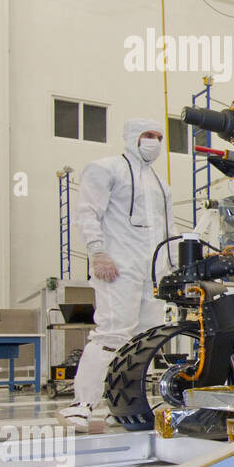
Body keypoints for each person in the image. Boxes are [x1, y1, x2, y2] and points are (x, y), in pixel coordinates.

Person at [57, 119, 173, 429]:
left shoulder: (161, 184)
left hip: (151, 273)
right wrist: (98, 252)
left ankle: (122, 406)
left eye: (160, 137)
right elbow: (88, 213)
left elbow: (168, 230)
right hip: (118, 267)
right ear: (133, 137)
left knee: (144, 341)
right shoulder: (105, 168)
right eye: (149, 136)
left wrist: (171, 268)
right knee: (111, 334)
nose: (154, 142)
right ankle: (82, 404)